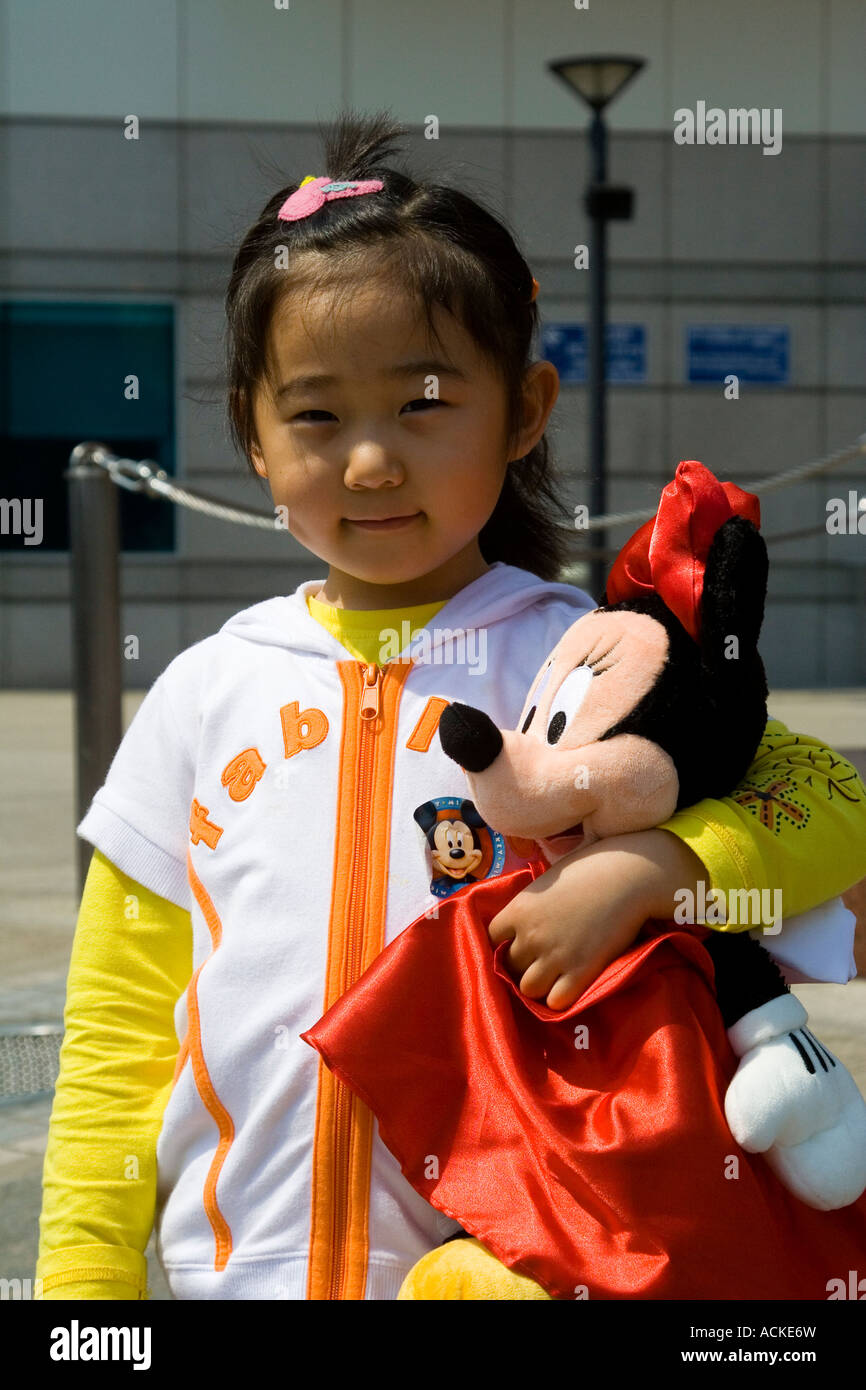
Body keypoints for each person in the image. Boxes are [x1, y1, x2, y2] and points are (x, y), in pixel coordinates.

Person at [36, 109, 866, 1301]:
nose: (369, 461)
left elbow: (828, 804)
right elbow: (118, 1024)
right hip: (235, 1277)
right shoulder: (205, 692)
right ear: (253, 439)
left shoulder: (583, 659)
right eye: (315, 415)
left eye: (423, 402)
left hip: (517, 1267)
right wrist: (81, 1289)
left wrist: (641, 872)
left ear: (523, 409)